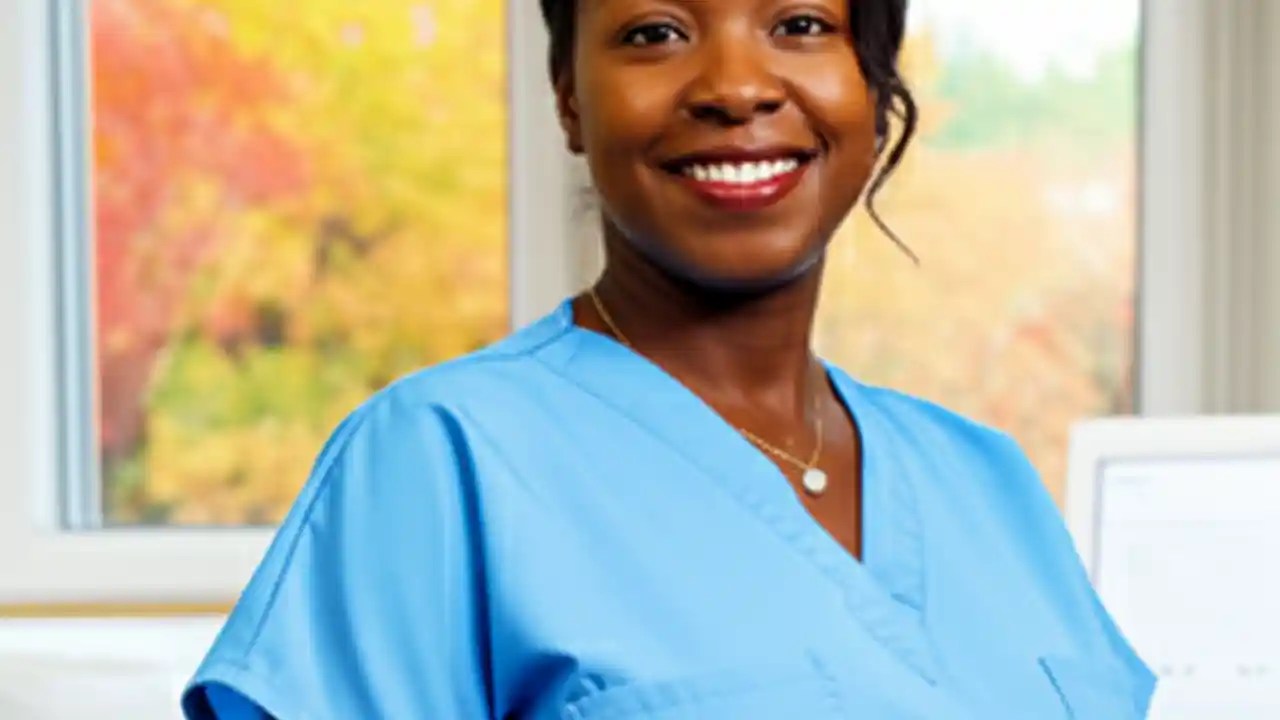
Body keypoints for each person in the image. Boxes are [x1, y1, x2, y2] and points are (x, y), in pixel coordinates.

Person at [181, 0, 1156, 717]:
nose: (734, 87)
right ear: (567, 99)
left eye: (801, 24)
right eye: (653, 32)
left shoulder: (986, 482)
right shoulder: (440, 460)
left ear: (870, 82)